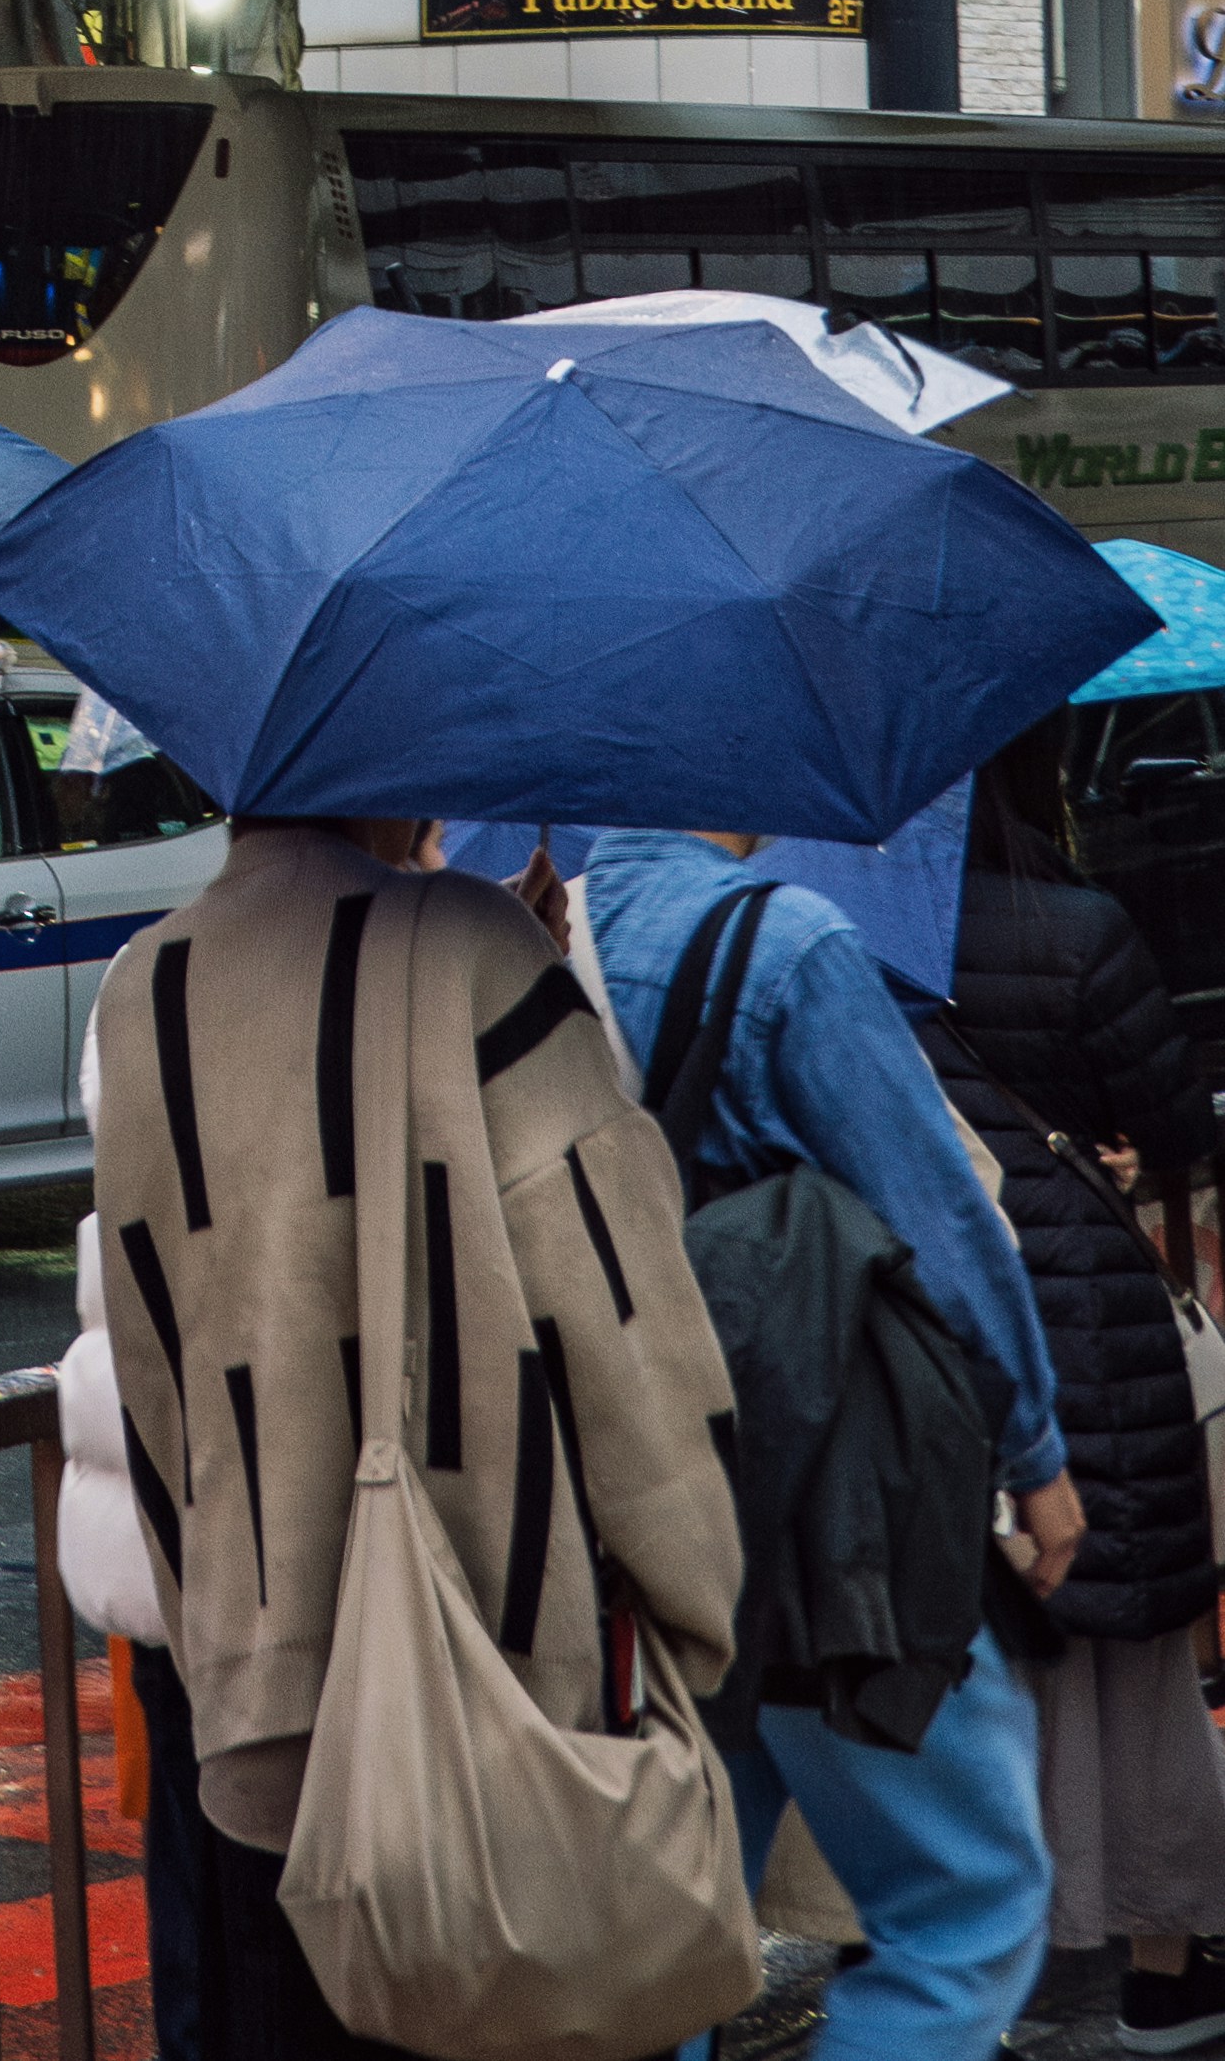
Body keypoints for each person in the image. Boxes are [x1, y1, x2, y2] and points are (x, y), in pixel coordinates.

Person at [97, 813, 743, 2060]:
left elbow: (151, 1361)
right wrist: (698, 1603)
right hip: (502, 1693)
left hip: (257, 1711)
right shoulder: (474, 955)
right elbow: (627, 1338)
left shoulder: (149, 986)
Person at [578, 824, 1083, 2061]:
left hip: (633, 1463)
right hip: (825, 1470)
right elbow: (939, 1218)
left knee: (680, 1909)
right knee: (967, 1898)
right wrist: (1035, 1454)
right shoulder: (784, 943)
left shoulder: (540, 931)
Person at [930, 728, 1225, 2047]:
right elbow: (1173, 1127)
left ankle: (1022, 1969)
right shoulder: (1073, 921)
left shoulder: (853, 940)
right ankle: (1160, 1962)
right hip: (1094, 1318)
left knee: (1008, 1657)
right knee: (1142, 1653)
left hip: (947, 1328)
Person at [59, 1012, 203, 2056]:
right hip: (258, 1556)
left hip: (158, 1547)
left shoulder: (140, 983)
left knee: (195, 1905)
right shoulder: (363, 971)